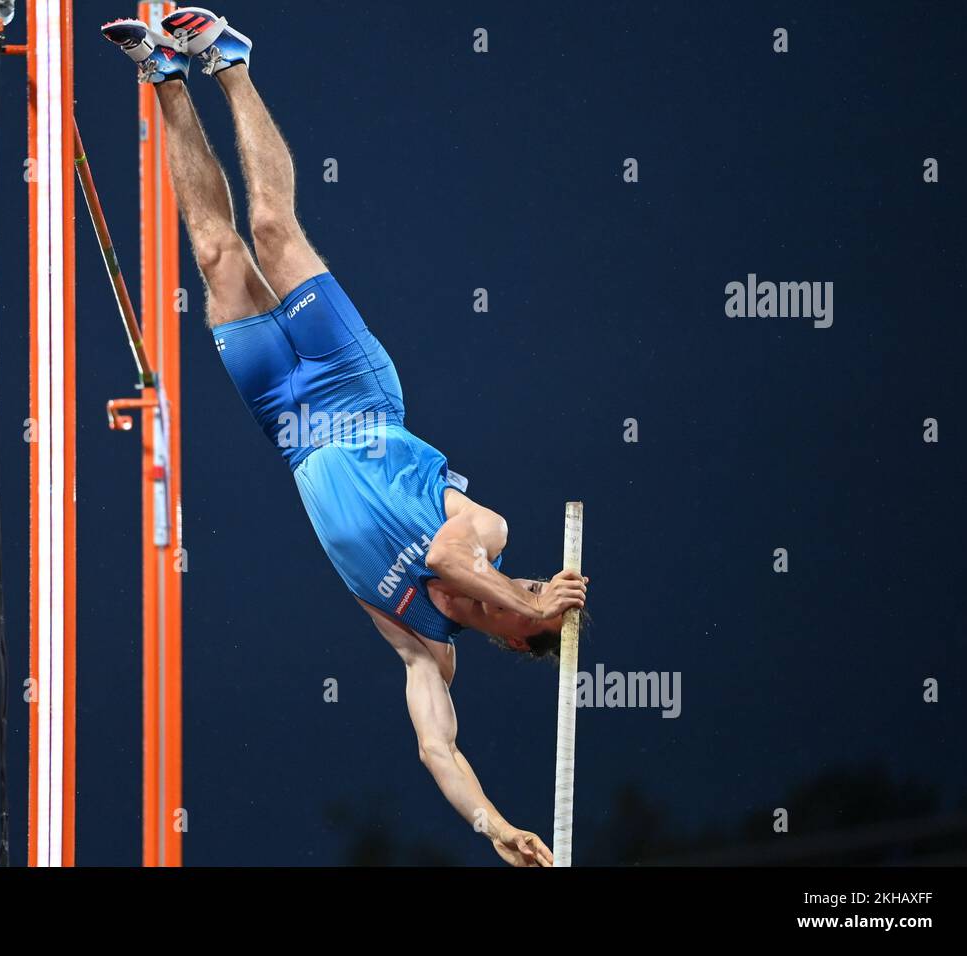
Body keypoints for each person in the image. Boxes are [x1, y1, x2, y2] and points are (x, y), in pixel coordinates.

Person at [103, 7, 588, 867]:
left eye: (521, 624)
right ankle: (229, 62)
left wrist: (496, 827)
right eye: (527, 608)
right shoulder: (490, 535)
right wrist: (535, 594)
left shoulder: (423, 649)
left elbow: (438, 751)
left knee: (215, 255)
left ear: (514, 641)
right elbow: (449, 562)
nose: (518, 613)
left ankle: (165, 81)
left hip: (288, 426)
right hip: (356, 391)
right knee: (273, 234)